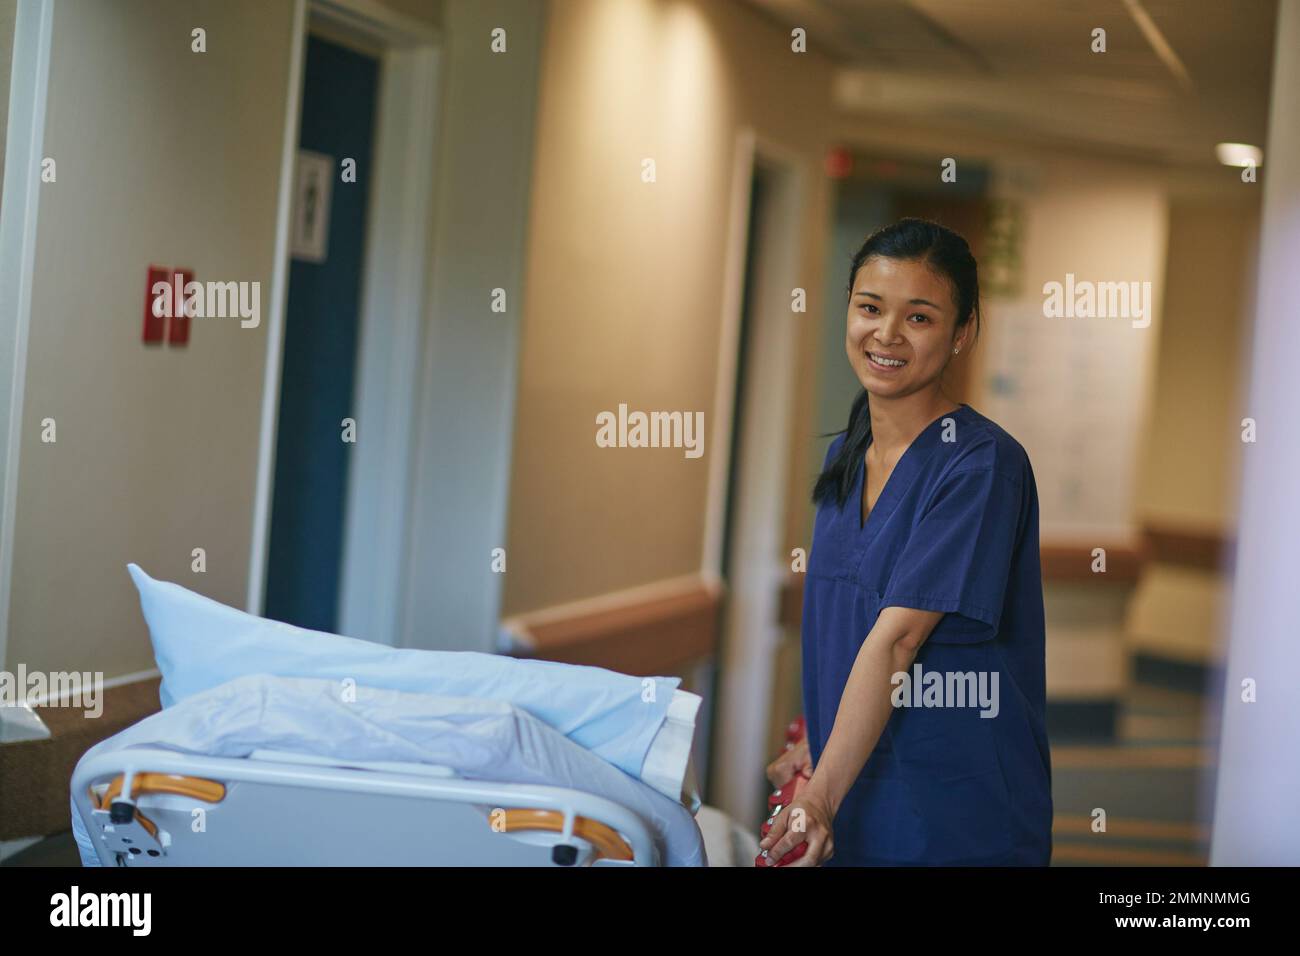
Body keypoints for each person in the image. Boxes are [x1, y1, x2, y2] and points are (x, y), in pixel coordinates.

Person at [760, 218, 1052, 866]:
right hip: (859, 790)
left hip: (955, 808)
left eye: (919, 317)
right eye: (870, 307)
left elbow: (898, 639)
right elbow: (848, 626)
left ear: (962, 334)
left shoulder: (980, 466)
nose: (886, 334)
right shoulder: (847, 454)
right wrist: (822, 739)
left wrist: (821, 797)